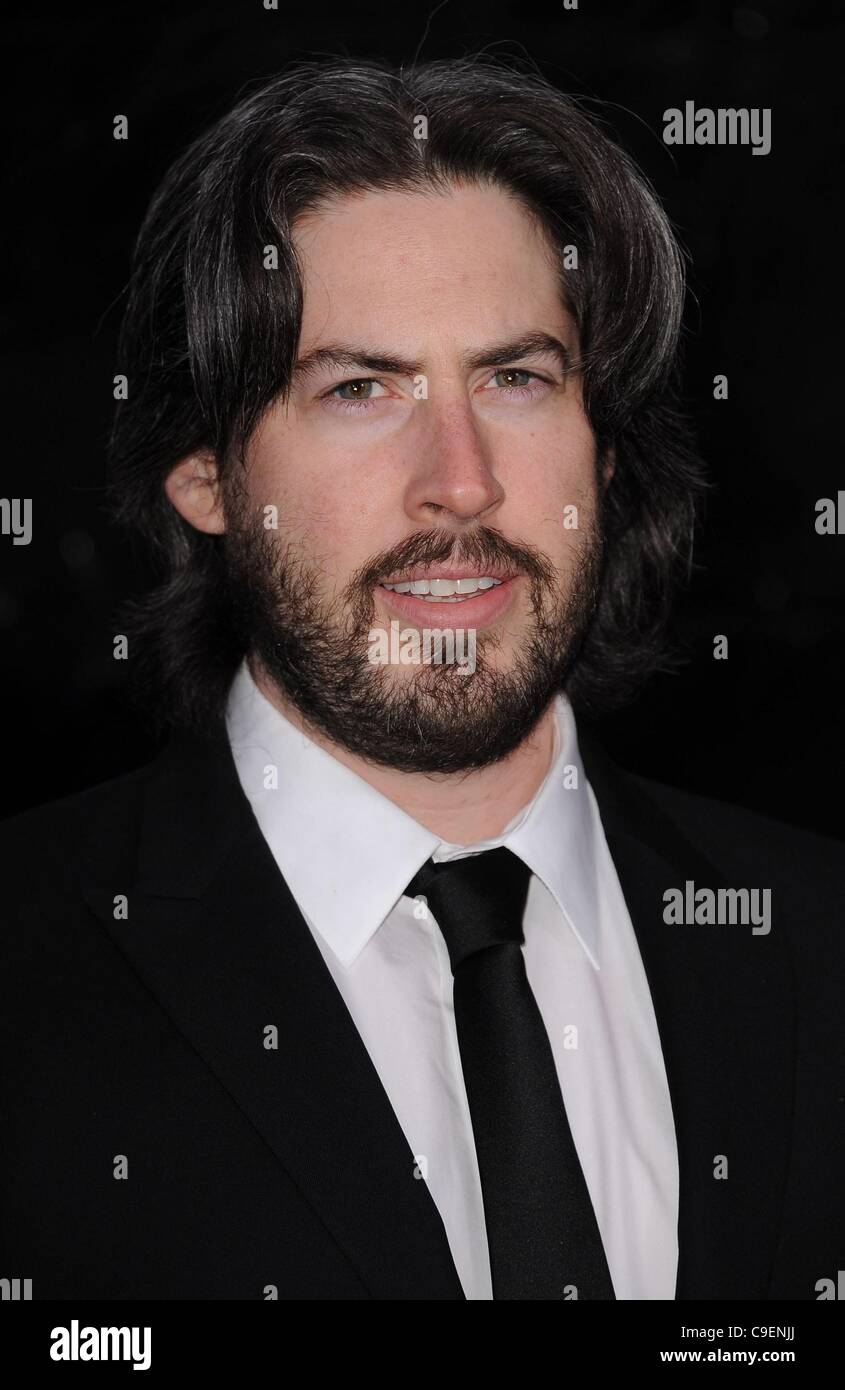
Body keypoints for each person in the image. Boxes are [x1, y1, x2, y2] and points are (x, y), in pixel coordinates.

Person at [0, 55, 841, 1302]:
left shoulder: (817, 933)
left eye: (515, 378)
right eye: (357, 389)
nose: (459, 479)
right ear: (205, 475)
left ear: (603, 449)